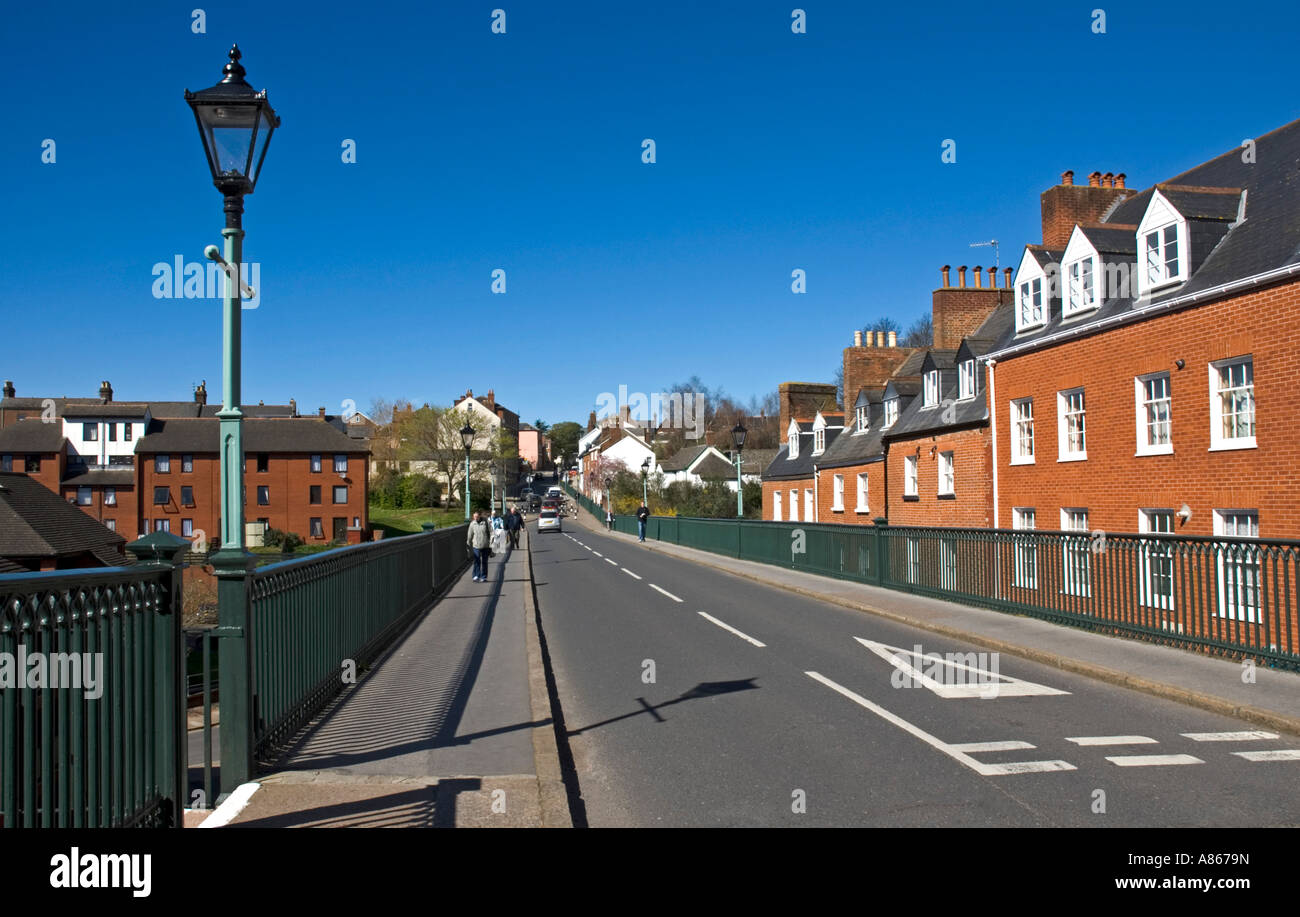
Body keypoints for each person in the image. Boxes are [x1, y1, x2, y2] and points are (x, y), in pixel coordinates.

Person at [467, 511, 491, 582]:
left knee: (484, 562)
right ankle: (476, 575)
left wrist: (492, 543)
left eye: (477, 517)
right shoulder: (472, 524)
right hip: (476, 545)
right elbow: (469, 535)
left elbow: (491, 532)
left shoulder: (485, 523)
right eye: (474, 517)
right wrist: (468, 544)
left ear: (480, 516)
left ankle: (483, 576)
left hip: (485, 545)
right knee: (477, 561)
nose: (476, 518)